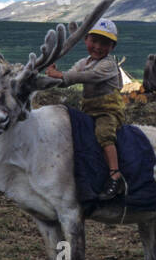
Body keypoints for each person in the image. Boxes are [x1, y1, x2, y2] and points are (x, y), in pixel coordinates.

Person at [45, 18, 128, 202]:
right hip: (89, 110)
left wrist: (62, 75)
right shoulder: (83, 62)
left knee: (104, 133)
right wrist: (53, 75)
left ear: (112, 47)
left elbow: (86, 76)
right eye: (94, 41)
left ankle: (115, 175)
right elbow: (69, 77)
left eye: (104, 43)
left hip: (108, 111)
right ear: (86, 40)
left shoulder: (109, 65)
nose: (98, 47)